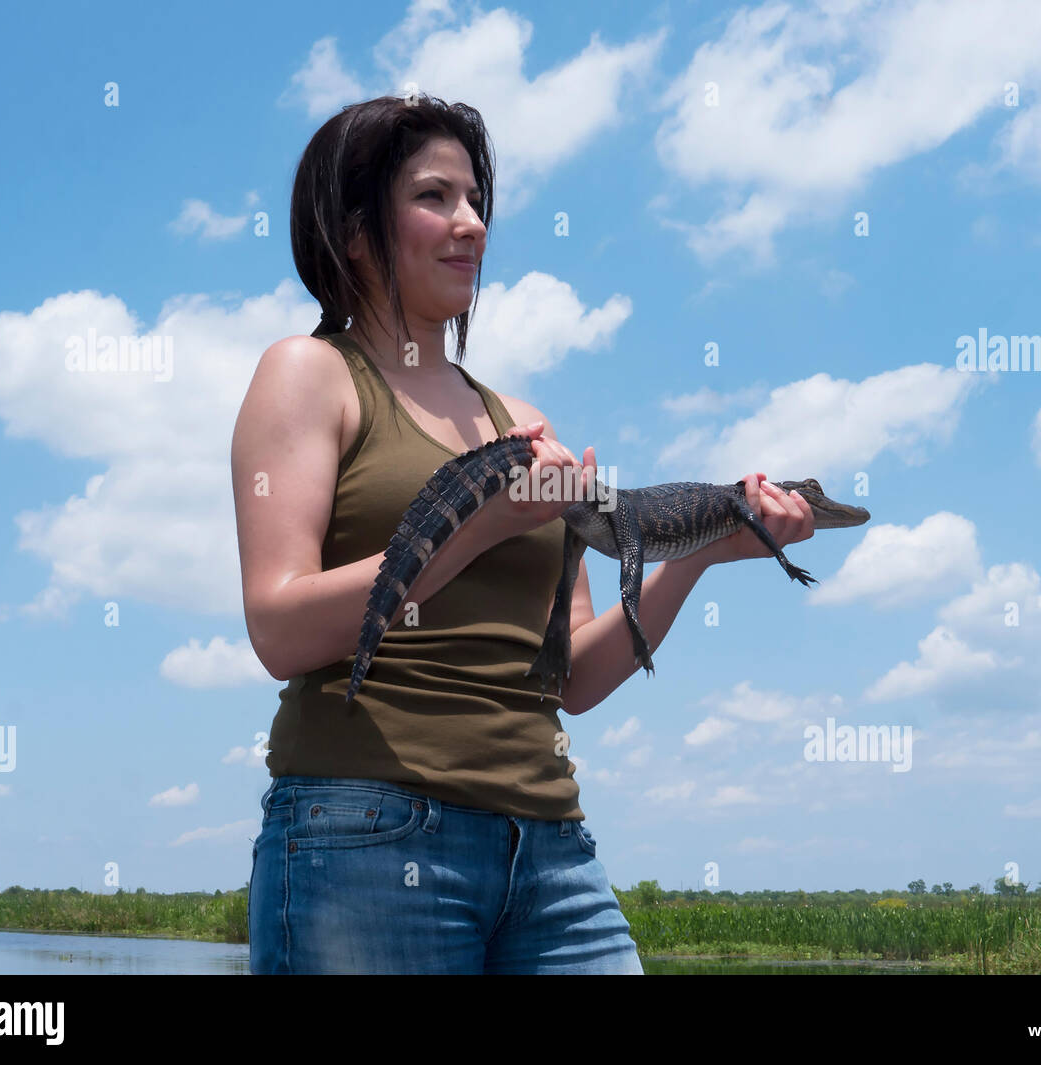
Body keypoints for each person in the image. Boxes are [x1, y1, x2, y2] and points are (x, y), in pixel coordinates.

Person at [231, 94, 814, 974]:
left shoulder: (525, 419)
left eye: (477, 203)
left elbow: (573, 674)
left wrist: (707, 550)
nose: (470, 225)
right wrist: (479, 527)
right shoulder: (309, 374)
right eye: (435, 197)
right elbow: (279, 630)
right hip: (368, 834)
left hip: (550, 848)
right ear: (354, 228)